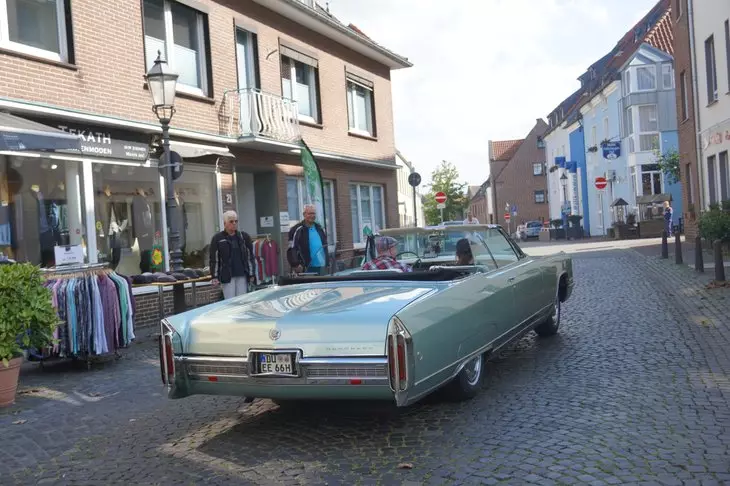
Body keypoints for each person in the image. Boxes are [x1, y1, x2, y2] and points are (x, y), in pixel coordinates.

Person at [209, 210, 256, 299]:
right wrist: (214, 276)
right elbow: (214, 259)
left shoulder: (244, 237)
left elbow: (250, 256)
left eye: (236, 221)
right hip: (227, 276)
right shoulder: (218, 238)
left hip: (242, 274)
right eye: (231, 221)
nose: (234, 223)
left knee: (242, 301)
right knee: (230, 302)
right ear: (225, 223)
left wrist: (251, 273)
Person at [287, 204, 329, 275]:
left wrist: (328, 262)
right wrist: (295, 264)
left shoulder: (320, 228)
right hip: (306, 267)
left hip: (322, 266)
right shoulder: (297, 229)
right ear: (304, 214)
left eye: (313, 213)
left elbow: (325, 246)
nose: (312, 216)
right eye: (309, 213)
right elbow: (291, 248)